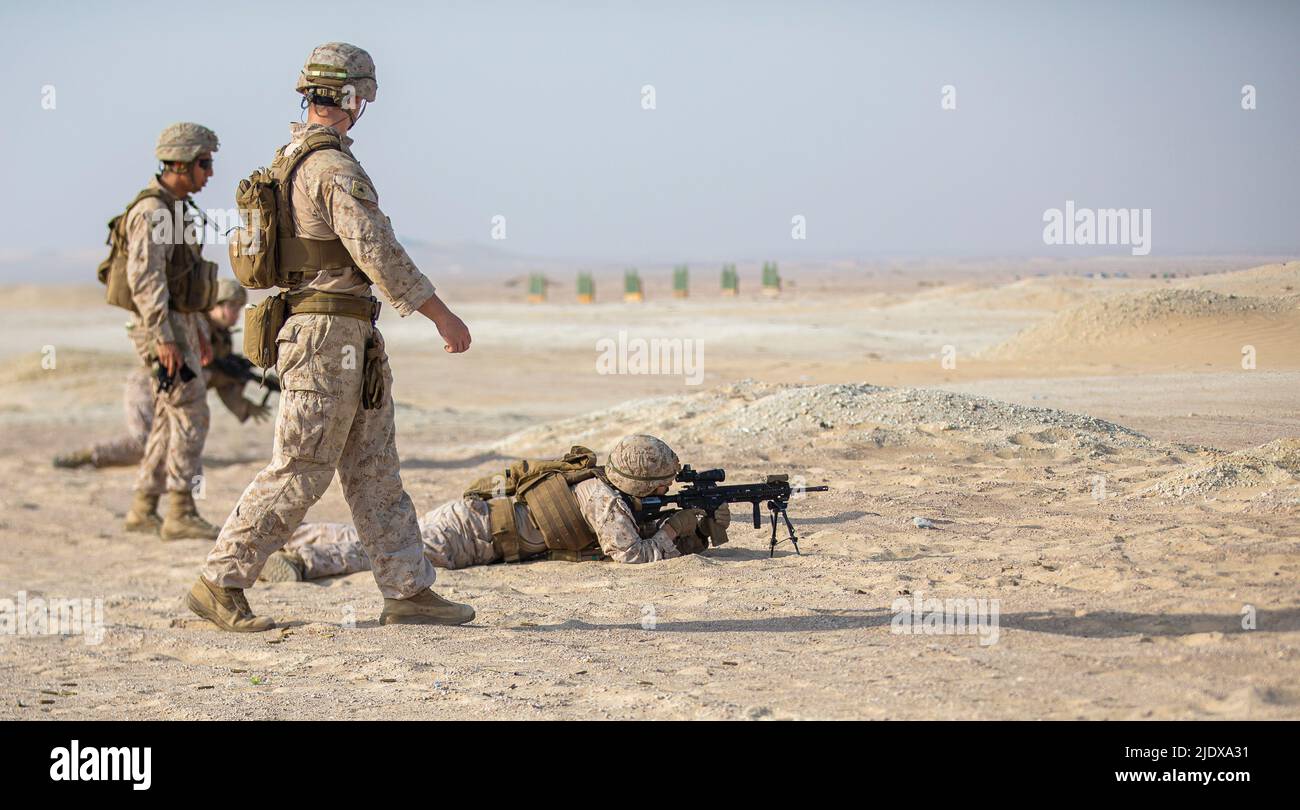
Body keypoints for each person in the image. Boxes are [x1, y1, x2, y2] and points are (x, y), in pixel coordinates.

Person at [187, 43, 475, 632]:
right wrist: (439, 313)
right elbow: (376, 250)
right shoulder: (331, 169)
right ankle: (220, 582)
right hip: (325, 337)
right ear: (347, 98)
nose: (362, 107)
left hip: (344, 334)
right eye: (361, 97)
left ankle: (409, 590)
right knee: (300, 467)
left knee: (373, 468)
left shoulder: (291, 159)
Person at [258, 435, 731, 582]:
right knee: (387, 555)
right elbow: (629, 556)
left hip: (471, 523)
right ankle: (302, 562)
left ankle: (289, 535)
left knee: (381, 540)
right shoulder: (602, 498)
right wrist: (673, 533)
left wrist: (687, 527)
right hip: (469, 537)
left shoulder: (601, 484)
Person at [111, 122, 224, 541]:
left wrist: (195, 331)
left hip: (177, 324)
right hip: (160, 328)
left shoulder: (174, 208)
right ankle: (181, 508)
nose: (209, 174)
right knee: (192, 409)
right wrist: (163, 339)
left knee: (168, 412)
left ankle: (144, 507)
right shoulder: (154, 212)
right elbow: (147, 279)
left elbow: (181, 283)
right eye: (204, 164)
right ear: (181, 162)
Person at [53, 279, 271, 471]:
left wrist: (245, 406)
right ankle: (88, 456)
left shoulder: (221, 338)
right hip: (148, 384)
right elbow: (202, 368)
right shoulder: (194, 326)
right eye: (232, 307)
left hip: (171, 393)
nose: (236, 315)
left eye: (239, 308)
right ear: (215, 305)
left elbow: (221, 379)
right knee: (144, 445)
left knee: (163, 449)